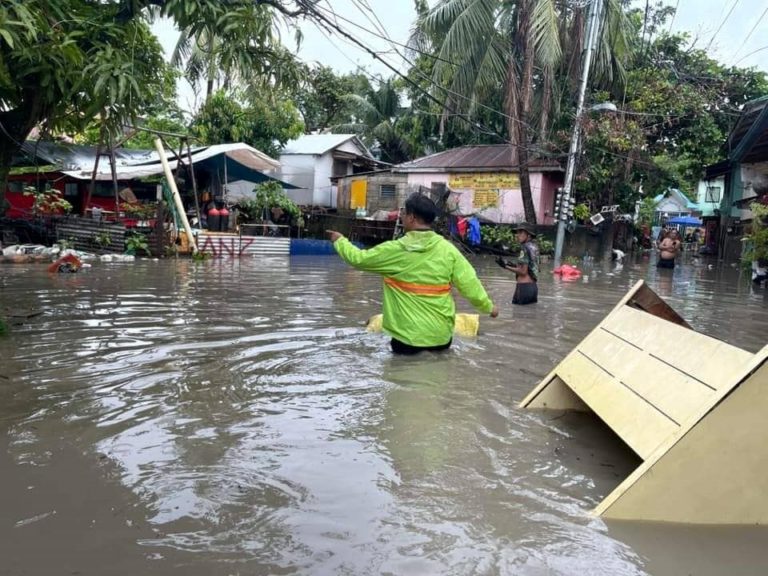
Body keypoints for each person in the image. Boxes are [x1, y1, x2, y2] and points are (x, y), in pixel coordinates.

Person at [326, 193, 499, 355]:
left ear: (411, 217)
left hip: (407, 340)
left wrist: (340, 241)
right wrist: (488, 307)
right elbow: (470, 283)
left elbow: (358, 259)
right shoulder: (449, 250)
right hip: (441, 338)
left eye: (404, 213)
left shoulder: (395, 250)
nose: (401, 216)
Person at [499, 224, 539, 305]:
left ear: (529, 235)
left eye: (521, 232)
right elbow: (530, 267)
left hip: (524, 288)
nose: (518, 235)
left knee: (517, 316)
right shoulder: (535, 247)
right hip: (533, 288)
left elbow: (523, 272)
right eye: (517, 232)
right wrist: (511, 264)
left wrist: (505, 266)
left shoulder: (524, 248)